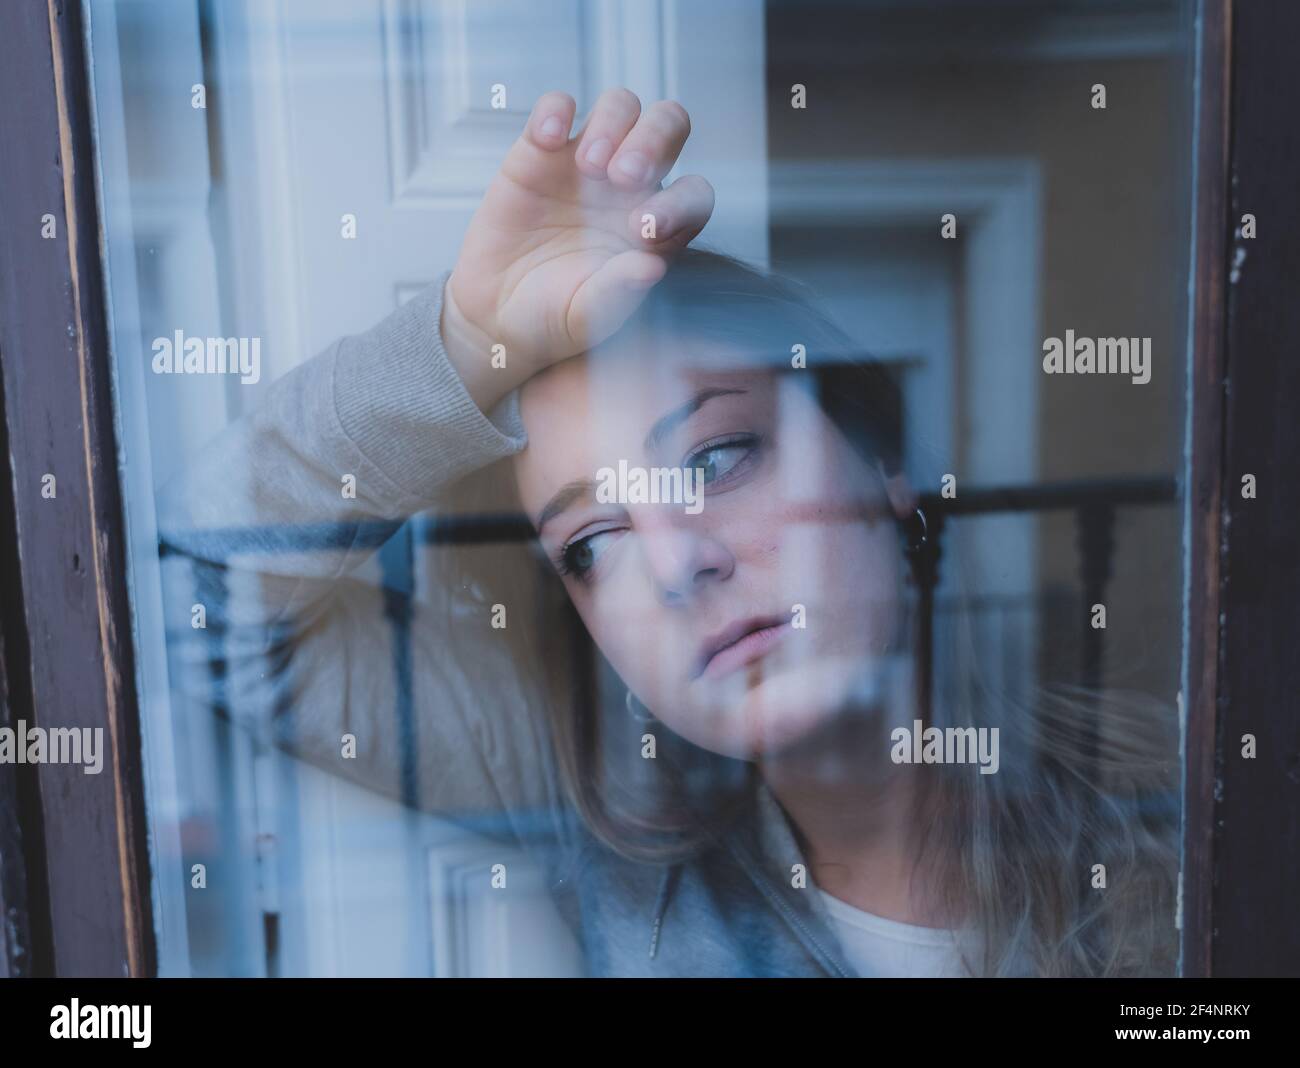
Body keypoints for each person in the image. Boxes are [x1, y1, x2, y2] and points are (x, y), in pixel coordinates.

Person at [159, 88, 1178, 977]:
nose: (679, 563)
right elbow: (209, 596)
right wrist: (465, 347)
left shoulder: (1174, 817)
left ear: (883, 468)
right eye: (592, 545)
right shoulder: (589, 805)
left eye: (714, 458)